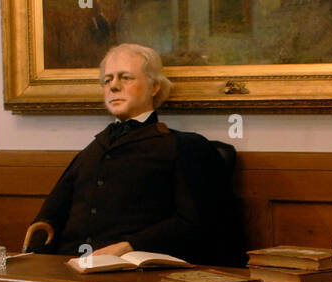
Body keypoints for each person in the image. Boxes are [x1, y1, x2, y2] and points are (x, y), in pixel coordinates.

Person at [24, 43, 243, 264]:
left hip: (135, 275)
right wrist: (42, 230)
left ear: (154, 87)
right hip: (66, 270)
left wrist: (129, 245)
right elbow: (51, 212)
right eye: (107, 80)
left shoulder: (186, 147)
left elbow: (195, 223)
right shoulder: (92, 150)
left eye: (125, 78)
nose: (114, 87)